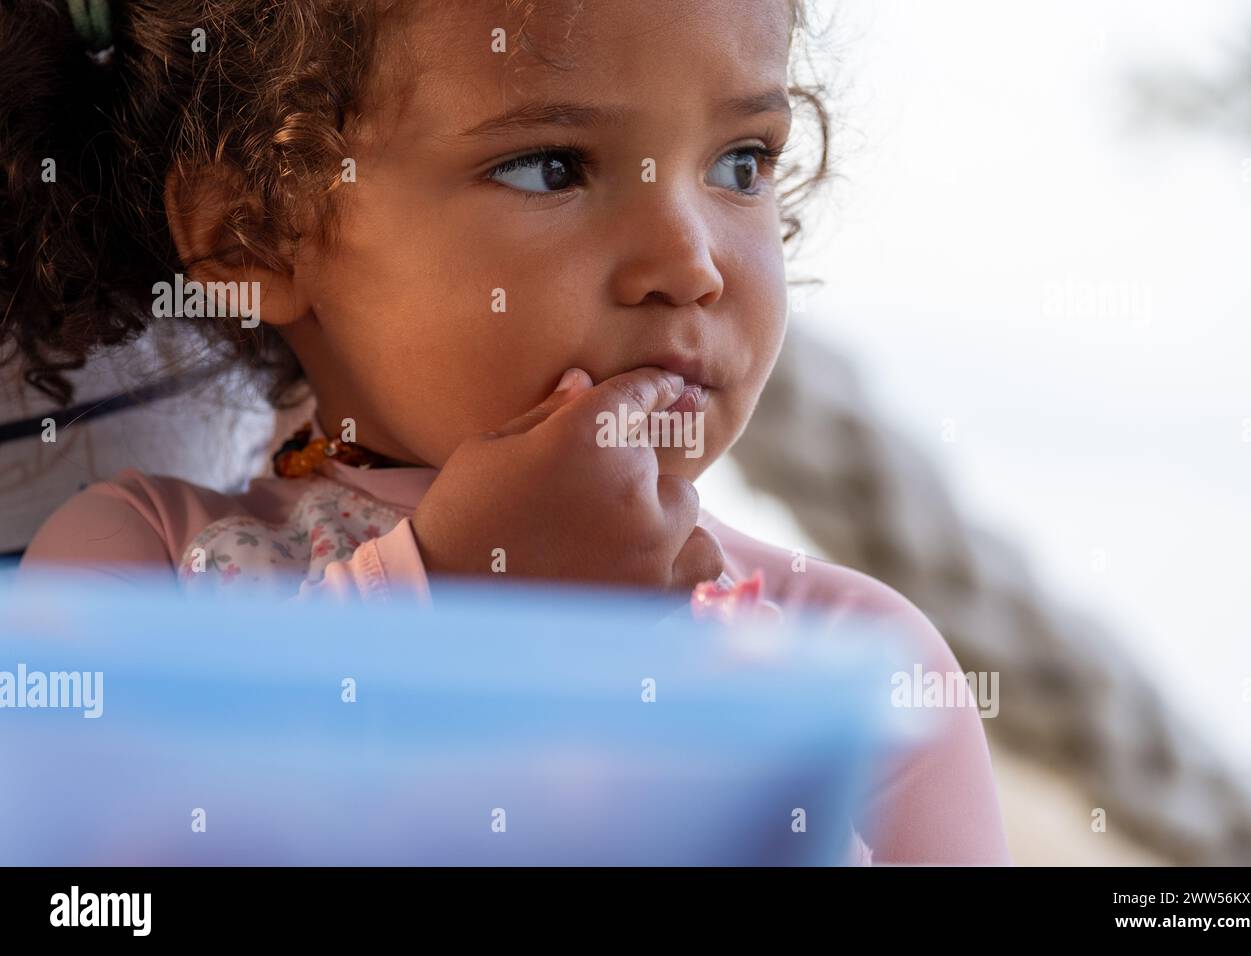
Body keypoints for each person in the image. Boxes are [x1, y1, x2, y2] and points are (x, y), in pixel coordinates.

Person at [2, 0, 1011, 864]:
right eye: (551, 167)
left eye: (741, 162)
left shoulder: (855, 665)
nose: (690, 261)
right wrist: (456, 600)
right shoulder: (136, 573)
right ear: (254, 230)